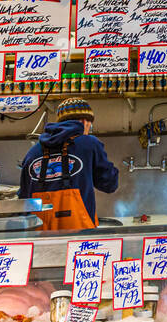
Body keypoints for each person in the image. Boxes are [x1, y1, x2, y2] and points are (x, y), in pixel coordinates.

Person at [19, 98, 119, 230]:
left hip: (40, 239)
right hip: (79, 238)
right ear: (84, 122)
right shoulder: (89, 143)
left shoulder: (33, 152)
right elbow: (109, 184)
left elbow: (23, 197)